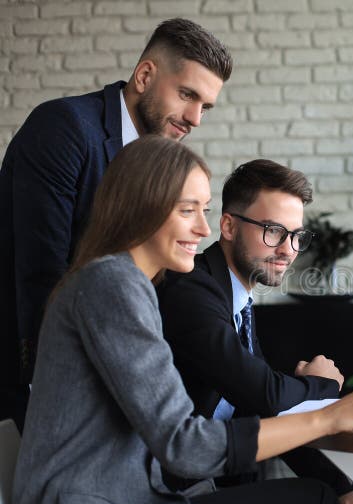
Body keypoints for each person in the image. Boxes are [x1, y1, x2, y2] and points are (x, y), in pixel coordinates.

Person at [3, 135, 353, 504]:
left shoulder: (125, 284)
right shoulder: (115, 285)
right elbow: (184, 444)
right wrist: (328, 414)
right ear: (141, 207)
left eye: (203, 210)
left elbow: (250, 408)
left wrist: (339, 478)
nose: (203, 229)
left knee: (321, 500)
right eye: (188, 211)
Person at [0, 18, 232, 431]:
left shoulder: (158, 162)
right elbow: (41, 271)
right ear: (145, 76)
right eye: (187, 95)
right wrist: (51, 390)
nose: (195, 118)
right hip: (39, 378)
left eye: (206, 107)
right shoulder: (65, 127)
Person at [157, 159, 353, 504]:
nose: (288, 250)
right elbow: (264, 393)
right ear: (228, 226)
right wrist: (321, 383)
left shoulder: (236, 302)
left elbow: (264, 409)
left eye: (296, 236)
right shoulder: (191, 290)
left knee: (332, 500)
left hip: (207, 483)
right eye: (274, 231)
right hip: (163, 496)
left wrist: (340, 487)